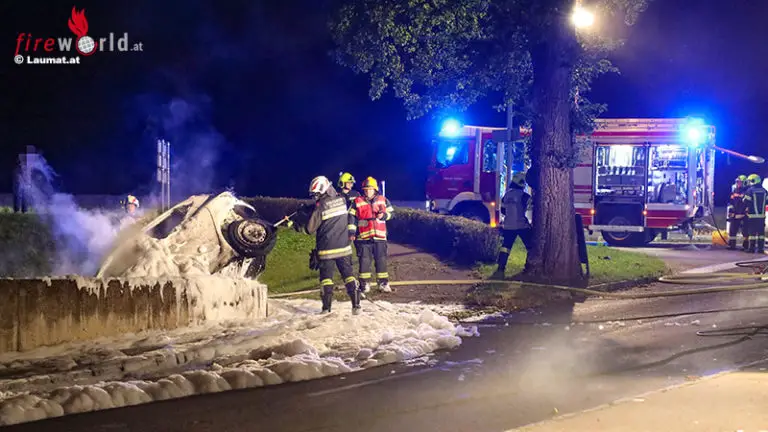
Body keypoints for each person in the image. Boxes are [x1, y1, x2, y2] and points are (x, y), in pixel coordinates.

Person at [296, 175, 361, 314]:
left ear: (323, 191)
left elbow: (309, 229)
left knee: (326, 280)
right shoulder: (342, 200)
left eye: (317, 194)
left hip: (326, 250)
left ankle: (326, 309)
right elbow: (329, 208)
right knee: (349, 275)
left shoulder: (320, 207)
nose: (315, 197)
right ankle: (356, 306)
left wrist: (302, 217)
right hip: (344, 248)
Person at [348, 176, 394, 293]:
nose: (368, 191)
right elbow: (352, 218)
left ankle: (383, 284)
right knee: (364, 262)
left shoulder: (383, 200)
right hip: (363, 238)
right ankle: (364, 285)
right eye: (366, 189)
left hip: (380, 237)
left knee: (381, 261)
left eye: (370, 188)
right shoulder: (357, 201)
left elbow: (392, 214)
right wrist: (352, 232)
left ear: (375, 189)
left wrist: (384, 216)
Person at [492, 172, 533, 278]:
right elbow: (532, 206)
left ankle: (501, 268)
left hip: (508, 226)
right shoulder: (524, 196)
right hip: (521, 226)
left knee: (505, 247)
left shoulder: (506, 195)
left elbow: (503, 211)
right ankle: (530, 266)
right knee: (531, 247)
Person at [743, 173, 766, 254]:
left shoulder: (750, 191)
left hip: (752, 215)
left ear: (753, 181)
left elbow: (745, 201)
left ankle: (751, 248)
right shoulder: (764, 190)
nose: (749, 183)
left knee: (752, 233)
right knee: (761, 233)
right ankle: (760, 249)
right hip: (762, 216)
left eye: (750, 181)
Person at [727, 175, 748, 250]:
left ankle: (746, 246)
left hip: (743, 215)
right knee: (732, 230)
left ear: (744, 183)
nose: (738, 184)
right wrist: (731, 211)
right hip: (735, 214)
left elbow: (746, 204)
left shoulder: (747, 191)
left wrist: (742, 213)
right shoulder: (735, 190)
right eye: (737, 182)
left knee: (745, 232)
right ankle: (732, 245)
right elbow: (731, 202)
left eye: (740, 182)